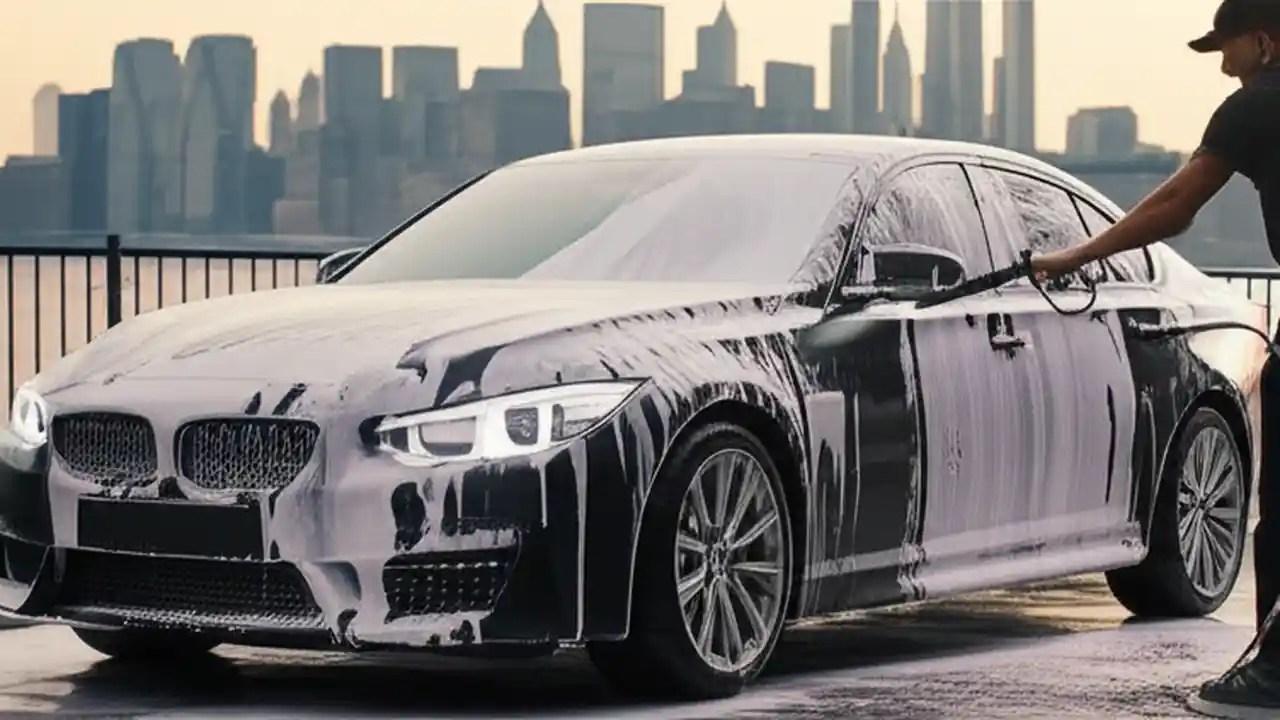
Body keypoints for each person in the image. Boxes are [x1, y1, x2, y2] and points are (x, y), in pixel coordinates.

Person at [1030, 0, 1280, 716]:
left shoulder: (1256, 104)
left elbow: (1177, 202)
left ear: (1262, 42)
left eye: (1225, 51)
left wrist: (1077, 255)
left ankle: (1275, 674)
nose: (1222, 69)